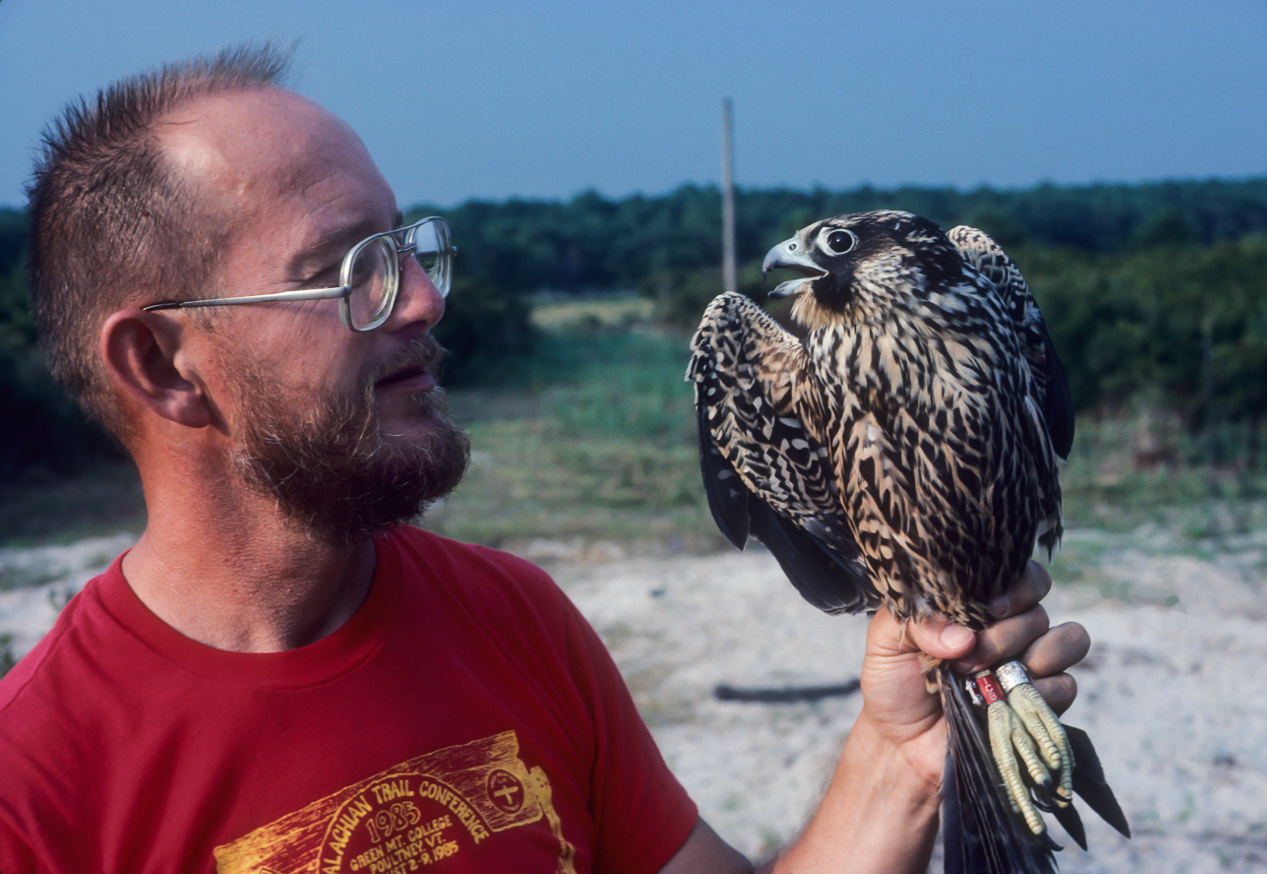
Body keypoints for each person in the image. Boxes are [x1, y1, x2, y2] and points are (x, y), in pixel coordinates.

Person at [0, 44, 1090, 874]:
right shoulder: (37, 790)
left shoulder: (513, 618)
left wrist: (899, 760)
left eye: (412, 248)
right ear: (162, 363)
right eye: (352, 271)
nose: (426, 298)